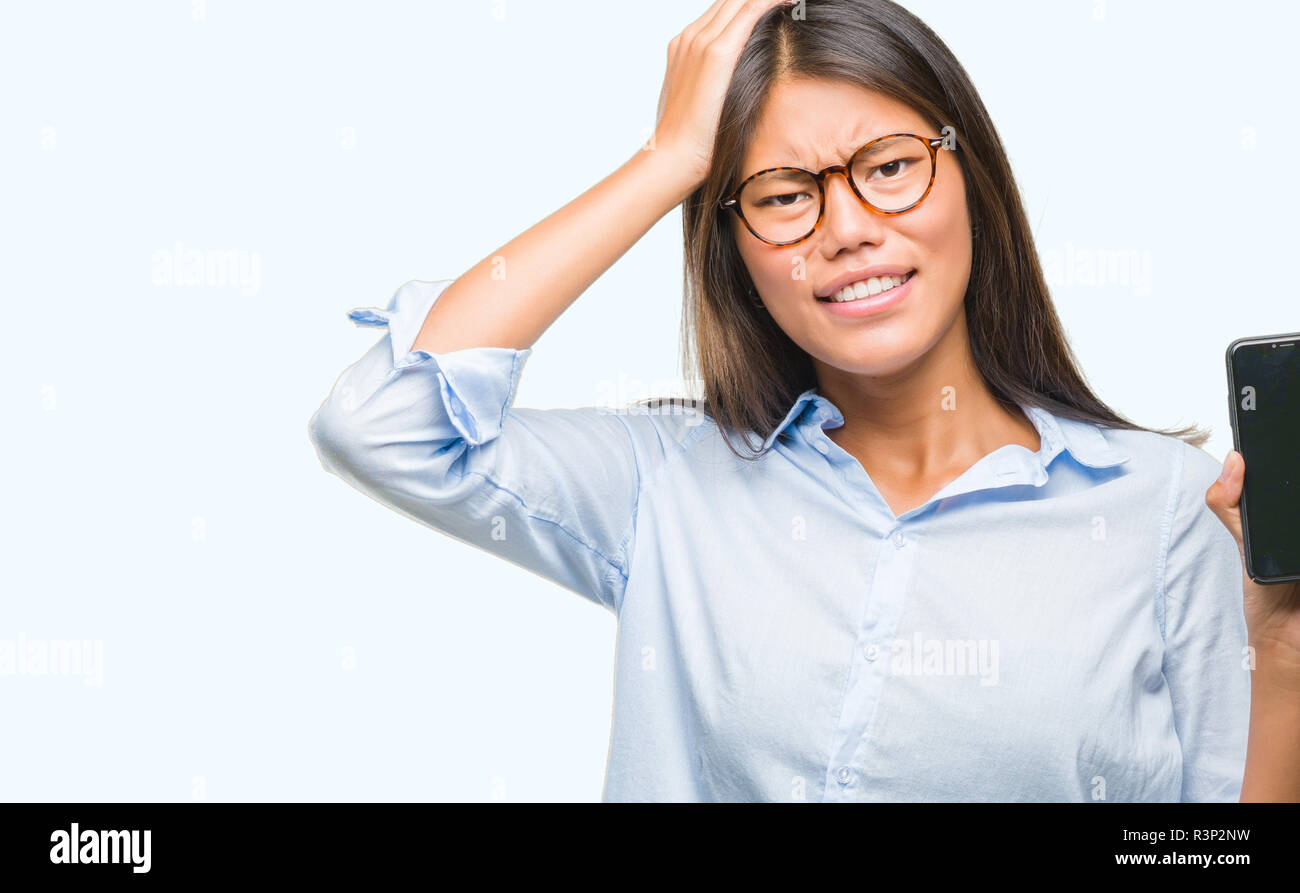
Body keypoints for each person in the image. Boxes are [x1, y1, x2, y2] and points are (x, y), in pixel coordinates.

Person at [307, 0, 1300, 802]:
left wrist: (1284, 662)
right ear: (733, 245)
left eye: (890, 168)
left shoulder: (1167, 509)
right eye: (784, 194)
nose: (849, 229)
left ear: (971, 178)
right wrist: (666, 162)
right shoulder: (674, 480)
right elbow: (386, 424)